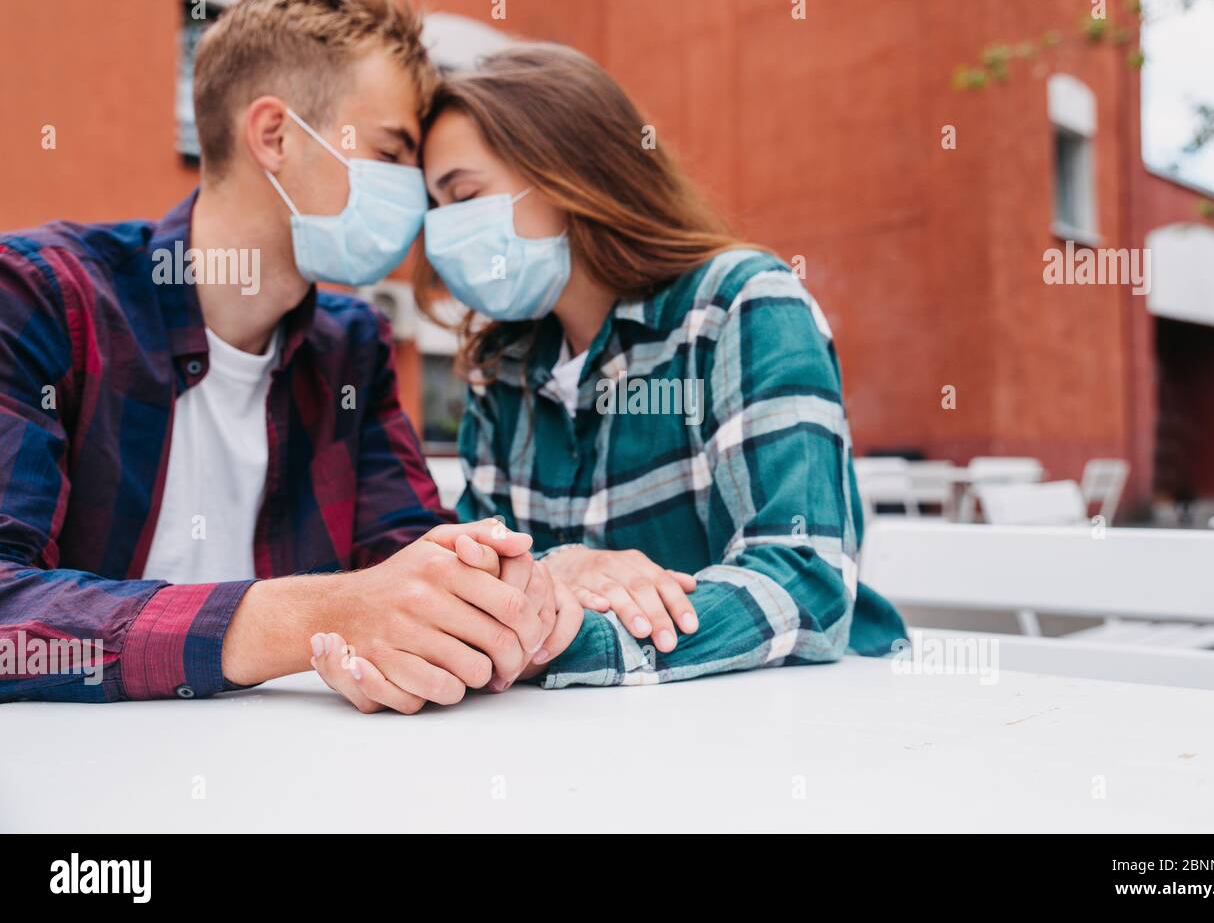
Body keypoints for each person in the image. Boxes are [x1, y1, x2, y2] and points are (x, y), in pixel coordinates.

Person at [0, 0, 563, 709]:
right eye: (390, 155)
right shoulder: (42, 299)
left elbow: (409, 562)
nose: (413, 201)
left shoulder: (352, 349)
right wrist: (309, 618)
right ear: (274, 135)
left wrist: (526, 582)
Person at [311, 43, 905, 707]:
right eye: (436, 206)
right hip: (581, 741)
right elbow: (483, 582)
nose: (443, 232)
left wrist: (572, 638)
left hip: (812, 721)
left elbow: (805, 579)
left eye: (465, 195)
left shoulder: (739, 306)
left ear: (569, 173)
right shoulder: (502, 371)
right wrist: (535, 587)